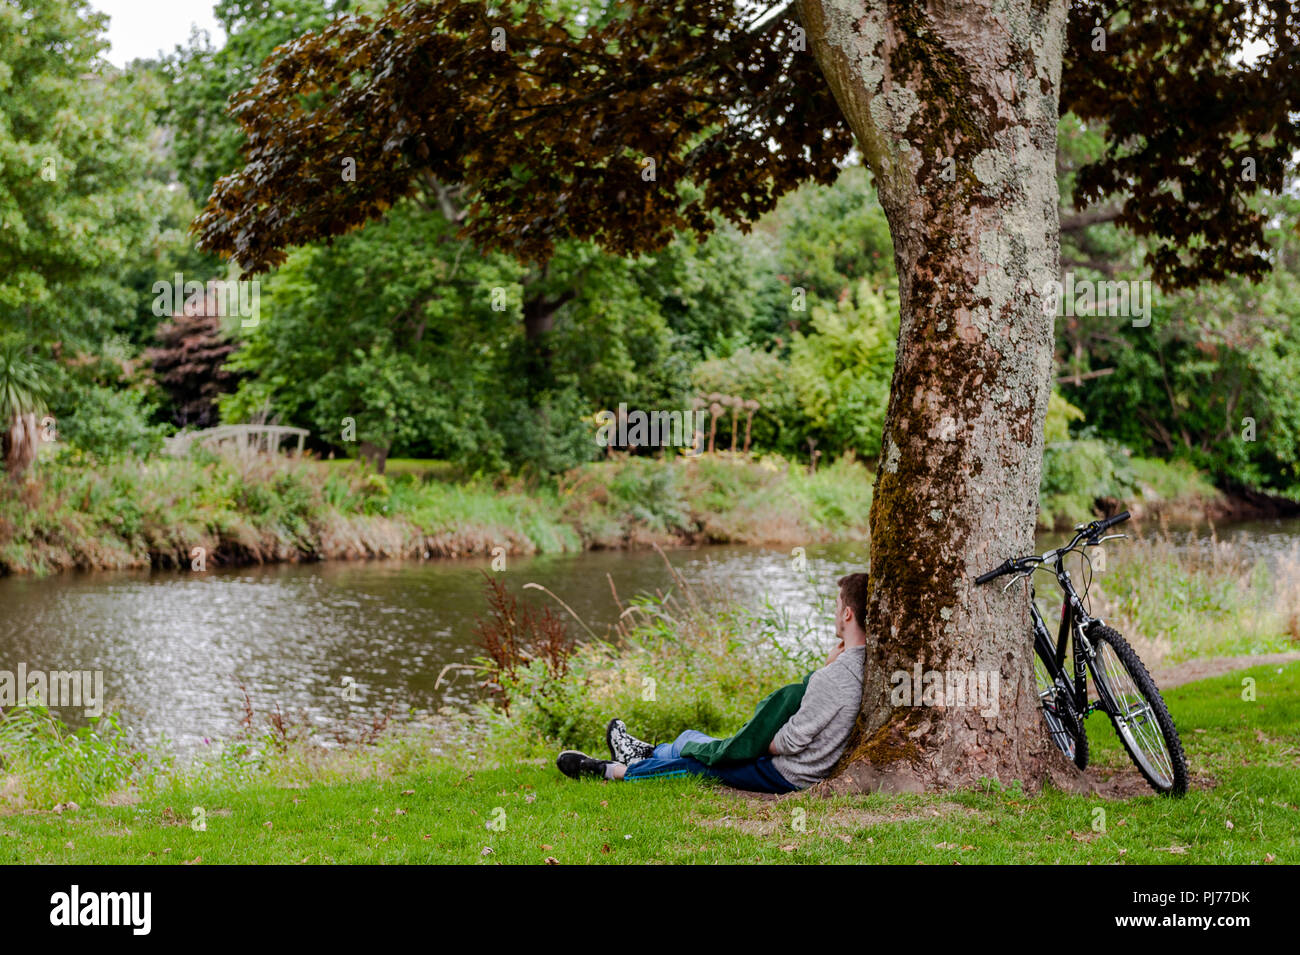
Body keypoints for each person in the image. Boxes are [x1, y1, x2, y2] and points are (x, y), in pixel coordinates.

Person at [555, 573, 868, 793]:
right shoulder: (857, 668)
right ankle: (646, 751)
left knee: (698, 767)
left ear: (848, 615)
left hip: (788, 773)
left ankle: (611, 771)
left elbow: (790, 741)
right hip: (795, 763)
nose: (834, 614)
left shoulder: (834, 679)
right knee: (696, 740)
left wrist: (756, 744)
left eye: (837, 607)